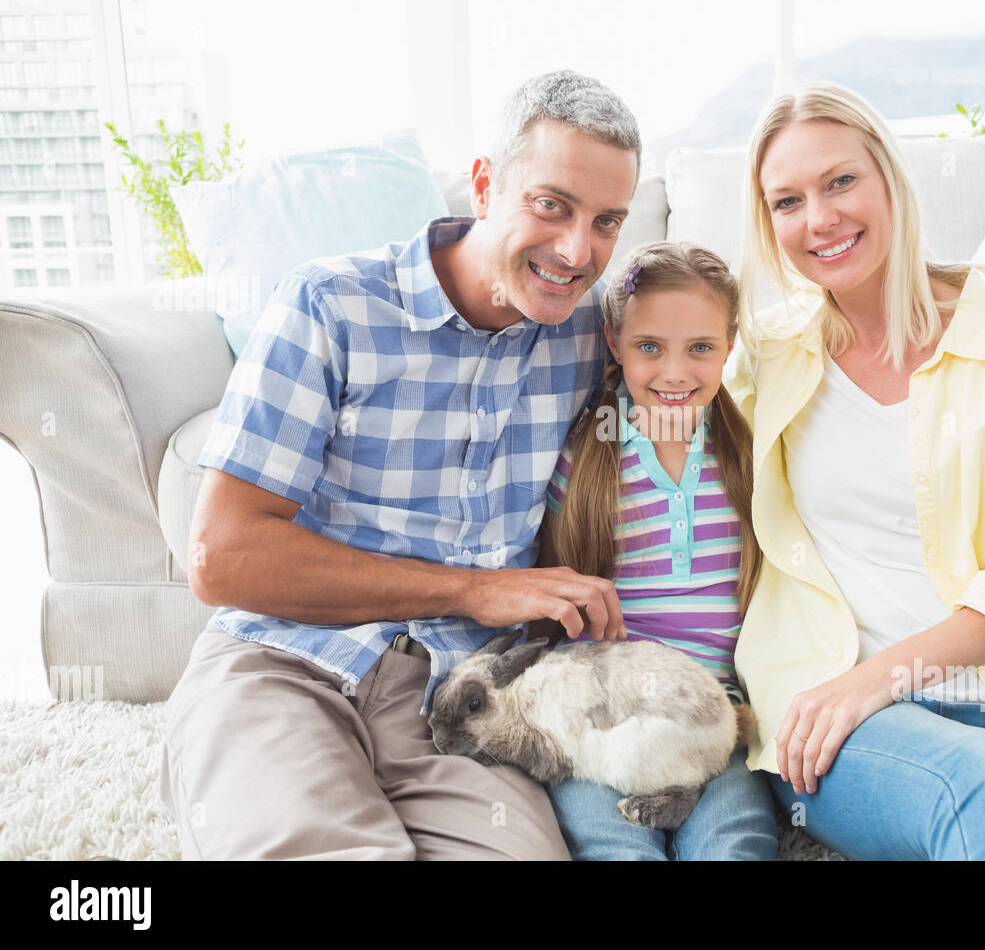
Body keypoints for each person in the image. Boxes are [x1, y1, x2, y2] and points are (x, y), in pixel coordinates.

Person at [160, 70, 641, 860]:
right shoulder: (329, 304)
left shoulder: (597, 332)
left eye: (607, 222)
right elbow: (221, 558)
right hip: (286, 663)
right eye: (551, 206)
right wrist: (475, 590)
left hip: (468, 699)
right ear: (485, 185)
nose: (576, 250)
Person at [725, 81, 985, 860]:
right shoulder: (767, 354)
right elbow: (652, 391)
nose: (819, 219)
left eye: (841, 181)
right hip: (830, 699)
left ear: (890, 178)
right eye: (787, 201)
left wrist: (887, 674)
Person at [534, 242, 779, 860]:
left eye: (700, 348)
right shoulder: (585, 458)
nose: (675, 373)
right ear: (615, 343)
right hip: (605, 716)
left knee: (737, 839)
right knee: (609, 841)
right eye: (650, 348)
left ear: (731, 347)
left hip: (716, 719)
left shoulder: (750, 457)